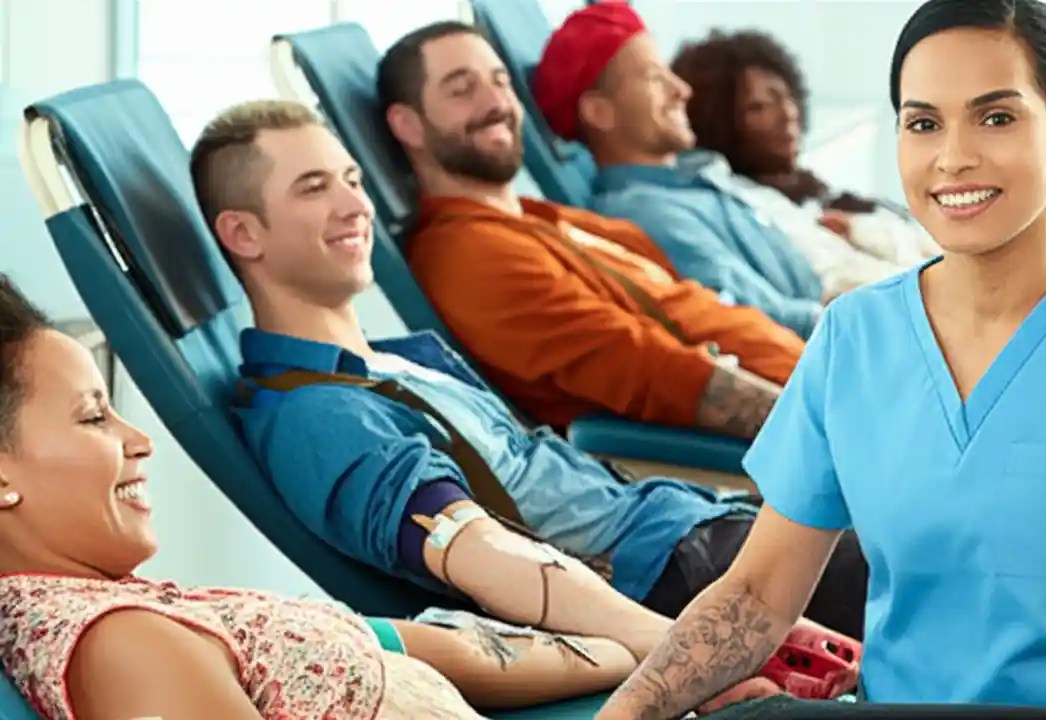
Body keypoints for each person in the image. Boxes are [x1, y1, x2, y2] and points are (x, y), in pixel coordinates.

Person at [597, 2, 1046, 720]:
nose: (953, 156)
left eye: (996, 118)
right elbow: (756, 596)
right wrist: (628, 713)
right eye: (923, 123)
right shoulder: (854, 337)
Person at [190, 99, 870, 648]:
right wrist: (690, 650)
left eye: (353, 181)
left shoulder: (400, 360)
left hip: (706, 529)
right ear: (245, 235)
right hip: (677, 578)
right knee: (953, 572)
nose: (354, 206)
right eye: (313, 189)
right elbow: (488, 559)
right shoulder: (319, 414)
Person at [0, 272, 640, 719]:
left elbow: (449, 650)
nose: (141, 441)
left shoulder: (157, 607)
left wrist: (657, 657)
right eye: (93, 418)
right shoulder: (123, 643)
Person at [671, 28, 1046, 319]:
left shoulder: (816, 190)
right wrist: (861, 234)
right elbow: (849, 288)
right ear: (721, 121)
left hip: (1024, 259)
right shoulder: (760, 209)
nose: (786, 115)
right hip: (990, 287)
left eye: (785, 96)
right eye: (757, 106)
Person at [379, 22, 804, 438]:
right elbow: (648, 370)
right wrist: (824, 423)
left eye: (500, 81)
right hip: (784, 426)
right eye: (461, 89)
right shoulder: (469, 256)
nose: (497, 102)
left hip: (813, 378)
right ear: (407, 125)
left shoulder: (548, 220)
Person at [531, 1, 895, 335]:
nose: (681, 90)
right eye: (654, 77)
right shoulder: (646, 212)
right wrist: (886, 312)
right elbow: (760, 319)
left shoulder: (698, 177)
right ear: (599, 112)